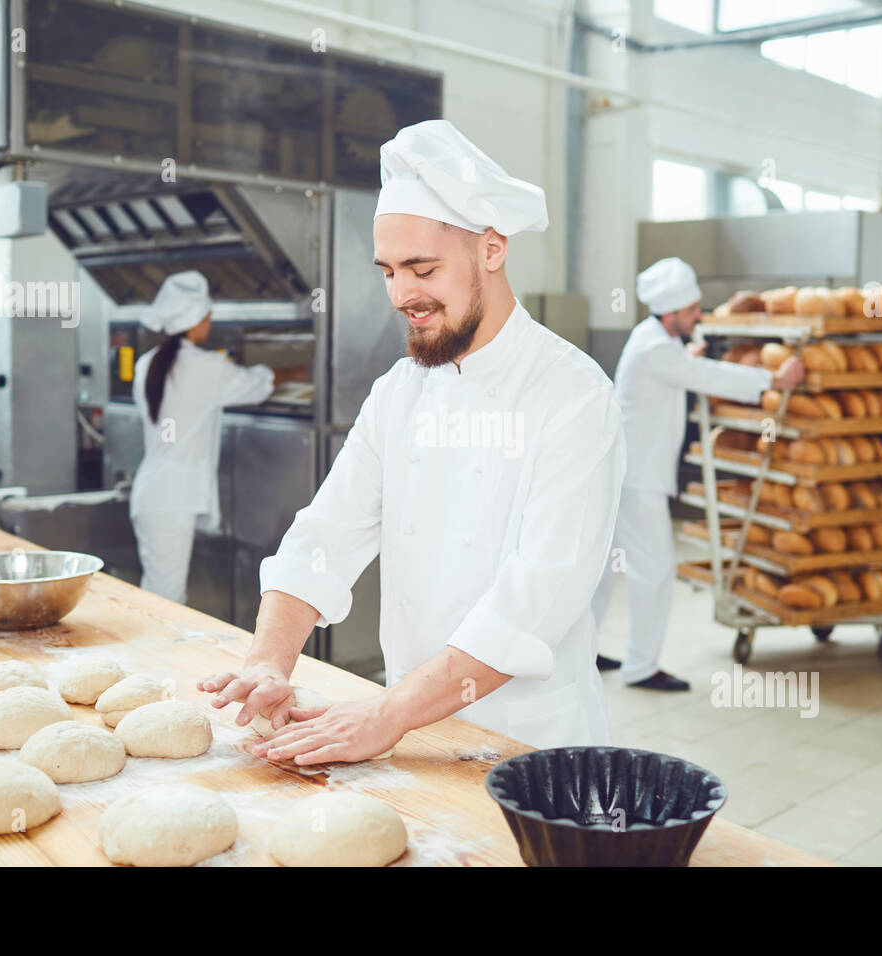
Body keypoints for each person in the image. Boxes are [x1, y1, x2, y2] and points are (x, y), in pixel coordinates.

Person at [197, 120, 626, 762]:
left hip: (531, 744)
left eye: (423, 268)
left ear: (491, 249)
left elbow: (536, 601)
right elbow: (327, 533)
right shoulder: (402, 390)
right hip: (410, 728)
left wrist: (384, 715)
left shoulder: (572, 395)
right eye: (389, 272)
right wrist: (268, 660)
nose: (402, 295)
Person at [591, 257, 803, 690]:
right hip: (639, 479)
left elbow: (682, 367)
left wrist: (687, 355)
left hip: (623, 473)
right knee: (655, 571)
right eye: (692, 310)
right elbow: (709, 376)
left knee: (601, 569)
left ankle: (583, 654)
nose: (699, 316)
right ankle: (641, 667)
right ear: (671, 314)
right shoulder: (656, 349)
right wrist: (773, 380)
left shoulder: (652, 339)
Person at [129, 270, 303, 605]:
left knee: (160, 592)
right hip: (172, 498)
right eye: (207, 317)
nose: (209, 324)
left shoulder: (147, 364)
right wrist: (294, 372)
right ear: (195, 322)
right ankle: (162, 657)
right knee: (165, 599)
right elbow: (253, 383)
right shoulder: (203, 367)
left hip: (156, 492)